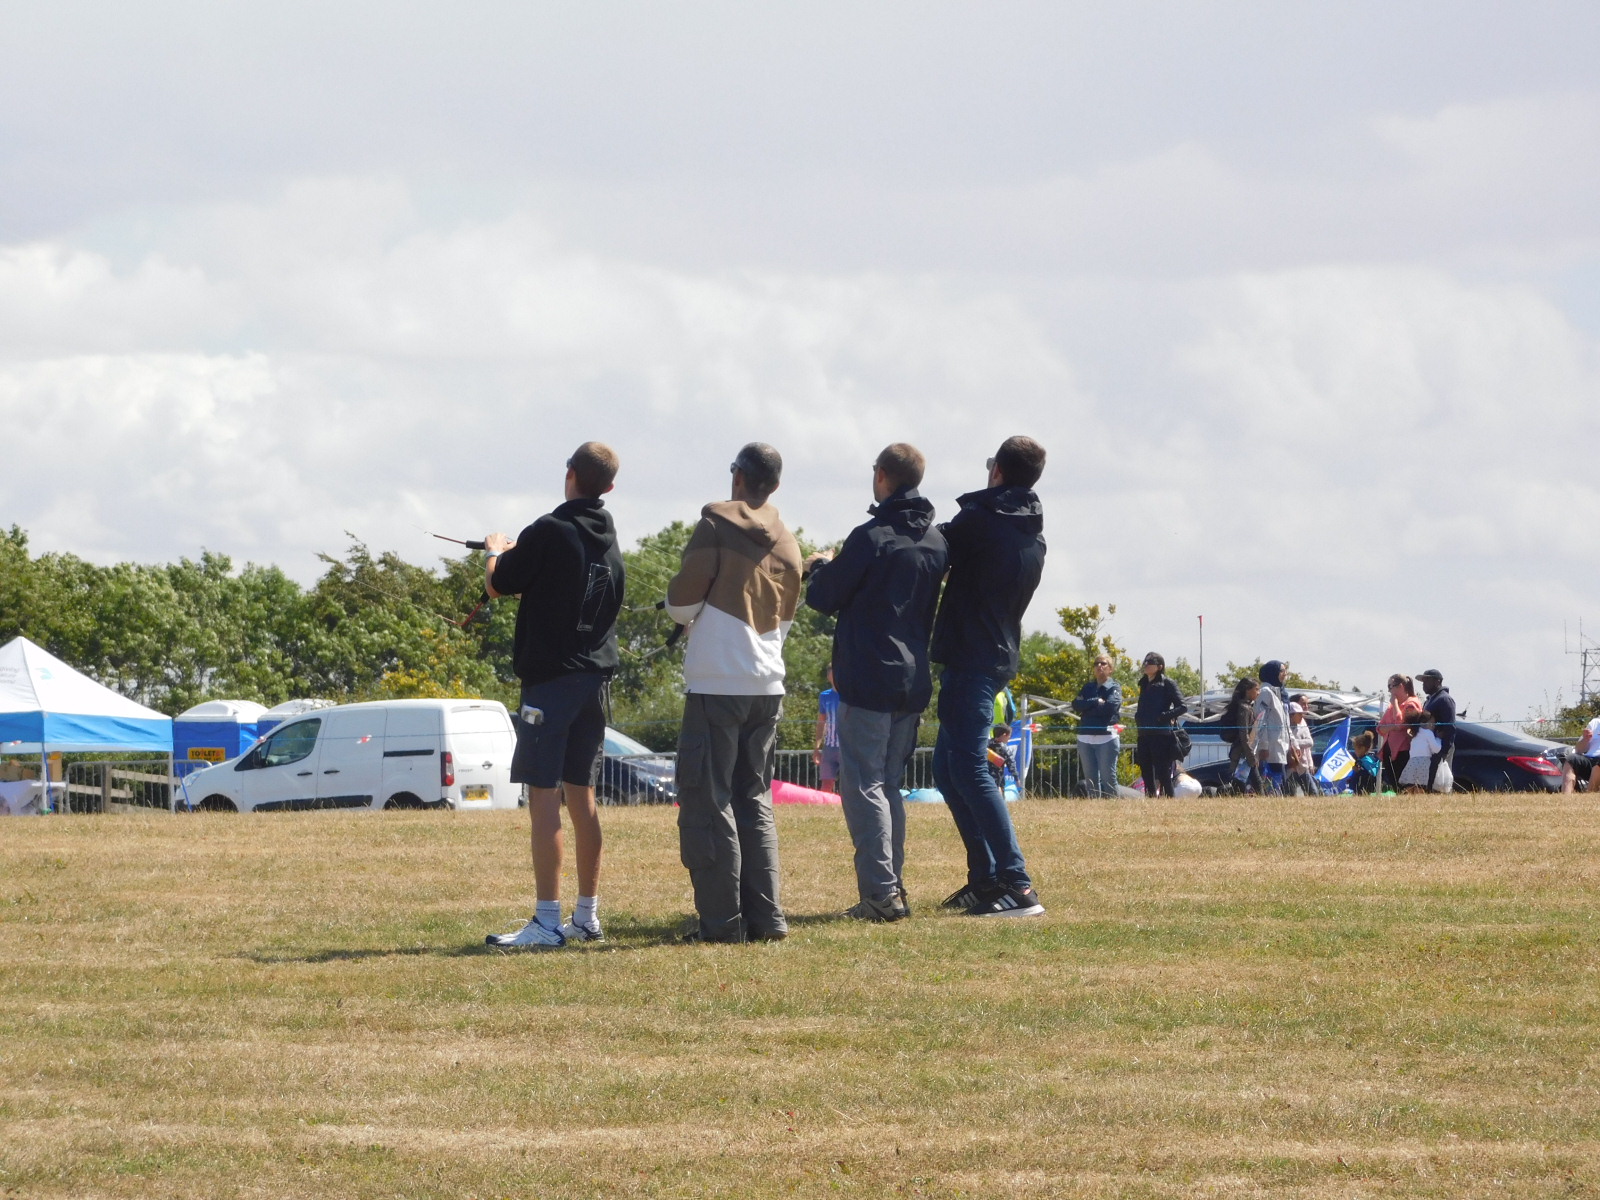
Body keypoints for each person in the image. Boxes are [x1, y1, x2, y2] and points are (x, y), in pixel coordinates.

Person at [483, 442, 625, 949]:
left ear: (569, 474)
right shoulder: (610, 538)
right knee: (582, 796)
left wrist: (495, 549)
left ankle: (546, 921)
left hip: (550, 682)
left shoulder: (548, 529)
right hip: (593, 681)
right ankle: (586, 915)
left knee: (543, 795)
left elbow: (499, 584)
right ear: (609, 487)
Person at [665, 443, 804, 944]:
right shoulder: (789, 542)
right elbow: (784, 622)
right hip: (767, 684)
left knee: (709, 802)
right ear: (776, 485)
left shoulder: (714, 525)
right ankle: (767, 919)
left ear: (738, 477)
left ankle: (722, 924)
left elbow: (681, 605)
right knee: (754, 798)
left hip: (716, 683)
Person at [803, 442, 948, 922]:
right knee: (888, 785)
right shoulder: (935, 542)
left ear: (882, 475)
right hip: (912, 679)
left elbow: (824, 596)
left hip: (868, 677)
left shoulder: (872, 537)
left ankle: (881, 895)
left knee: (863, 784)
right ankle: (892, 887)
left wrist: (820, 566)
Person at [930, 436, 1048, 918]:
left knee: (969, 770)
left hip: (971, 659)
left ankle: (1016, 884)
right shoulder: (1032, 531)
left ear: (997, 470)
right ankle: (985, 879)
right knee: (948, 769)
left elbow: (932, 549)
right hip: (995, 656)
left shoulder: (982, 520)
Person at [1134, 651, 1187, 798]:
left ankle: (1169, 798)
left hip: (1161, 734)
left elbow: (1182, 706)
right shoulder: (1143, 683)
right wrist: (1138, 718)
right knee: (1146, 770)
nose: (1146, 665)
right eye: (1145, 662)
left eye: (1150, 663)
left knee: (1163, 771)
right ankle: (1150, 797)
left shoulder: (1167, 683)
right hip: (1143, 733)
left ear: (1159, 666)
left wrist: (1164, 716)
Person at [1072, 654, 1123, 798]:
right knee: (1090, 779)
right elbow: (1076, 704)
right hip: (1085, 737)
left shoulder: (1114, 687)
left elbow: (1110, 708)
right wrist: (1095, 701)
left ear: (1110, 669)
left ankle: (1113, 806)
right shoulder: (1088, 687)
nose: (1099, 666)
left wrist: (1087, 709)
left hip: (1106, 738)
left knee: (1108, 778)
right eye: (1096, 663)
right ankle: (1095, 807)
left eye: (1103, 663)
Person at [1376, 674, 1423, 791]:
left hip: (1404, 750)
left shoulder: (1412, 704)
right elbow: (1380, 727)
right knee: (1395, 784)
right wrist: (1392, 727)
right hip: (1389, 751)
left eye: (1390, 686)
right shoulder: (1391, 706)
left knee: (1404, 784)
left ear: (1400, 686)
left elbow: (1400, 724)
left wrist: (1395, 705)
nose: (1389, 691)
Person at [1251, 662, 1292, 794]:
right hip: (1270, 747)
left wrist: (1292, 743)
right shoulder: (1265, 692)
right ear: (1272, 673)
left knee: (1280, 782)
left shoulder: (1278, 693)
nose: (1285, 674)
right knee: (1273, 781)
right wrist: (1263, 746)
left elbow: (1285, 723)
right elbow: (1260, 719)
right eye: (1282, 671)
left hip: (1280, 745)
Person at [1416, 669, 1457, 792]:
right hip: (1429, 747)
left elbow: (1450, 726)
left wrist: (1444, 751)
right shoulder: (1429, 700)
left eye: (1427, 680)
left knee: (1440, 782)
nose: (1423, 684)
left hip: (1440, 747)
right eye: (1423, 681)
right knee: (1429, 780)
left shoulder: (1444, 699)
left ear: (1437, 681)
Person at [1219, 677, 1261, 793]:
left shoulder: (1246, 706)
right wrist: (1251, 756)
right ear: (1248, 690)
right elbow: (1243, 734)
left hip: (1242, 751)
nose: (1258, 692)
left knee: (1241, 784)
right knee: (1247, 783)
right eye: (1256, 689)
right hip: (1242, 753)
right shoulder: (1244, 708)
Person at [1397, 710, 1449, 792]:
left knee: (1411, 785)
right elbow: (1436, 749)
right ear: (1426, 723)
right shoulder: (1428, 733)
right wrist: (1438, 739)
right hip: (1424, 762)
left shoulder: (1414, 733)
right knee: (1421, 786)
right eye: (1432, 723)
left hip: (1412, 762)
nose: (1433, 726)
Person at [813, 667, 840, 795]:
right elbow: (821, 722)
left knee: (849, 782)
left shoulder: (850, 694)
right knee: (826, 782)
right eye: (830, 672)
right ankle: (825, 803)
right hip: (829, 746)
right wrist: (817, 747)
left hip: (847, 746)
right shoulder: (824, 696)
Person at [1286, 696, 1318, 795]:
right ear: (1291, 715)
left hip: (1302, 766)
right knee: (1290, 794)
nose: (1301, 716)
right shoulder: (1284, 727)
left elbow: (1310, 742)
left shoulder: (1303, 724)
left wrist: (1294, 743)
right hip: (1290, 767)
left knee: (1313, 792)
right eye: (1299, 714)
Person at [1561, 714, 1600, 793]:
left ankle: (1589, 794)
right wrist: (1585, 739)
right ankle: (1566, 796)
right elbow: (1578, 750)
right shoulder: (1595, 723)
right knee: (1571, 759)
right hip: (1589, 761)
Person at [1350, 730, 1380, 794]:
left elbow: (1369, 773)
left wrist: (1358, 770)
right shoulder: (1362, 759)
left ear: (1362, 748)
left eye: (1356, 749)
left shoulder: (1366, 760)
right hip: (1360, 786)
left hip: (1363, 786)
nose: (1355, 751)